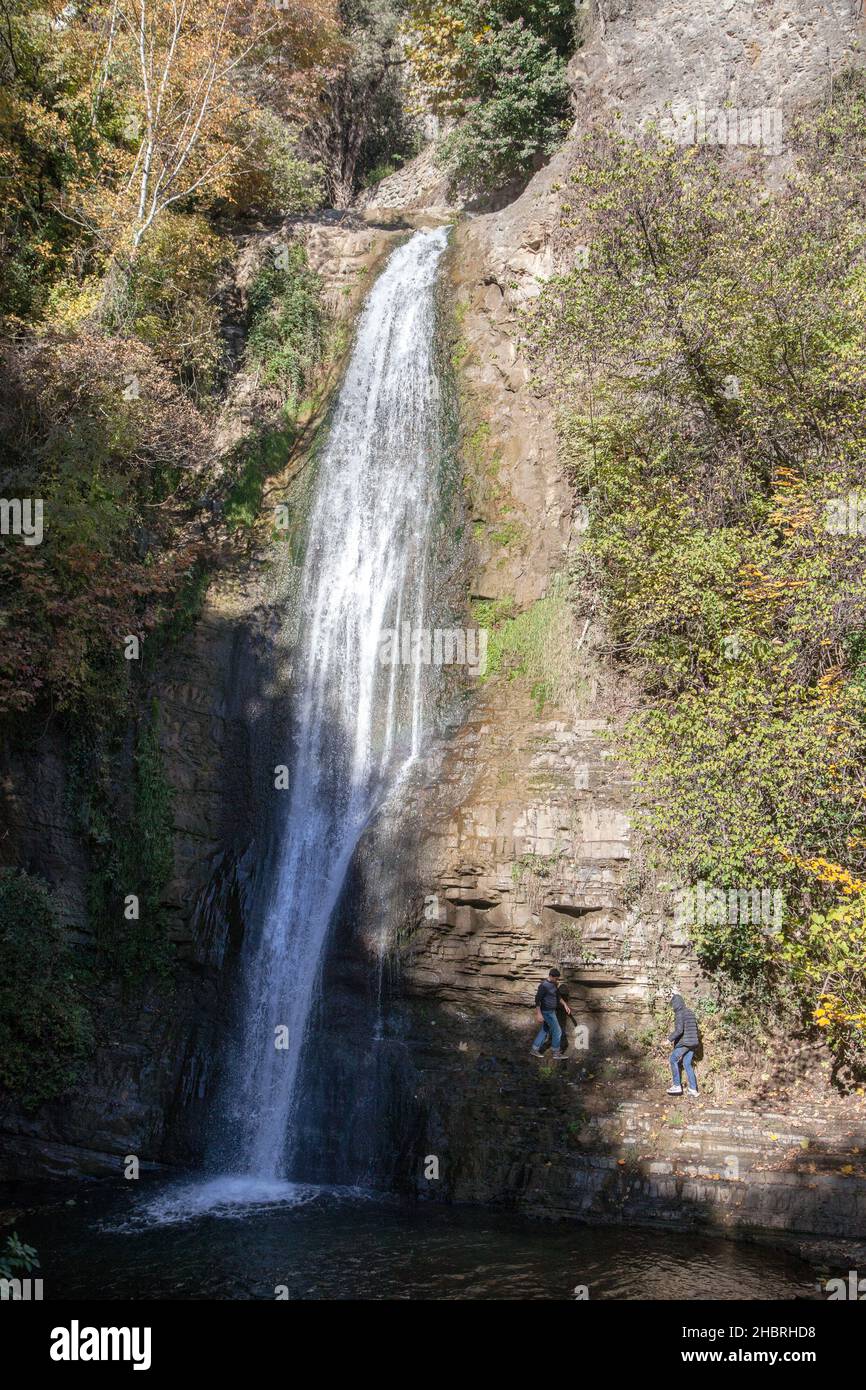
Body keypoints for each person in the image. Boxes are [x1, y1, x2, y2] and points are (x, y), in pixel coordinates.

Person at [531, 968, 572, 1060]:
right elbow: (537, 1000)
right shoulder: (543, 986)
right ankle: (556, 1053)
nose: (557, 981)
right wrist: (539, 1014)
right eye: (556, 978)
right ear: (551, 976)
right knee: (557, 1031)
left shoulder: (554, 984)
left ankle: (534, 1049)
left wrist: (565, 1005)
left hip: (552, 1011)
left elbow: (557, 996)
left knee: (545, 1030)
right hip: (546, 1012)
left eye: (558, 979)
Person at [667, 989, 700, 1096]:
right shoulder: (690, 1011)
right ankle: (693, 1089)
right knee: (687, 1064)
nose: (673, 1007)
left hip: (685, 1043)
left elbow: (679, 1030)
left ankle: (677, 1086)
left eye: (673, 1005)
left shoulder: (679, 1013)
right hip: (694, 1043)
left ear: (676, 1004)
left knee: (673, 1059)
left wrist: (669, 1039)